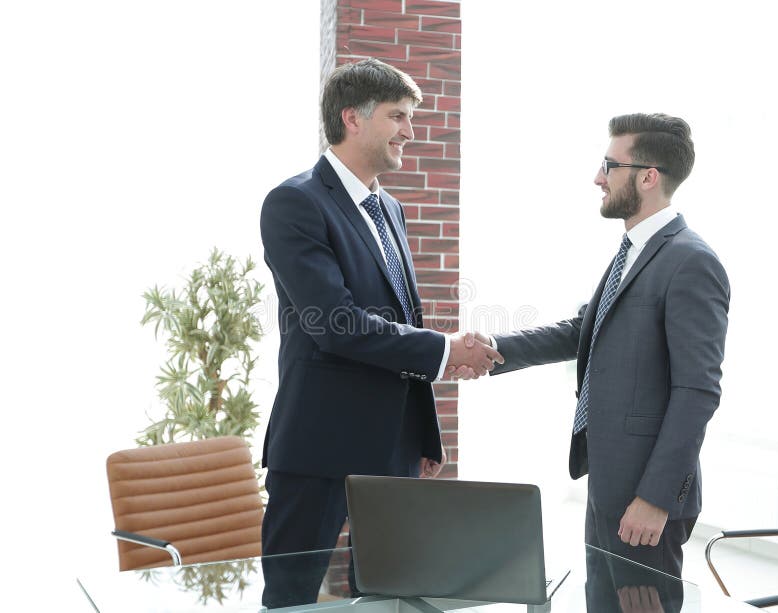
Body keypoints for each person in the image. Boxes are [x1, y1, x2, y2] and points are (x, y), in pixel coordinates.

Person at [258, 58, 502, 607]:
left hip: (393, 449)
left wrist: (420, 432)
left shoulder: (390, 208)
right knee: (291, 599)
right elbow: (335, 324)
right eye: (398, 116)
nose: (410, 132)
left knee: (392, 597)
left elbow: (398, 326)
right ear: (353, 118)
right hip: (318, 448)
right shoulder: (294, 203)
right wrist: (444, 348)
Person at [458, 113, 730, 578]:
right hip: (610, 483)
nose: (598, 178)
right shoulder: (634, 252)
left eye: (610, 165)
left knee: (639, 607)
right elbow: (583, 328)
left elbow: (697, 391)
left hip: (644, 500)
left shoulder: (691, 263)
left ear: (648, 177)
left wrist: (655, 497)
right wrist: (496, 348)